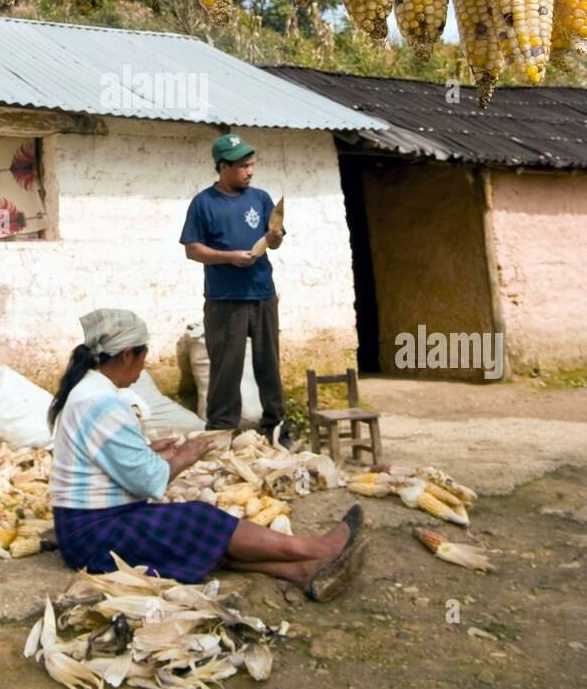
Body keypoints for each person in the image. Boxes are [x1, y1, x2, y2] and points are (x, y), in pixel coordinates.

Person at [48, 308, 367, 599]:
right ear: (128, 354)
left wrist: (147, 451)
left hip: (87, 528)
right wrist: (188, 453)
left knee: (197, 537)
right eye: (144, 356)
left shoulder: (88, 393)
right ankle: (312, 548)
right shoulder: (102, 403)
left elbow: (105, 461)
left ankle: (302, 570)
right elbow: (148, 482)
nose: (145, 366)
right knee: (199, 518)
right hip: (94, 534)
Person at [180, 134, 286, 439]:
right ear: (223, 167)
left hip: (263, 295)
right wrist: (228, 257)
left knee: (269, 365)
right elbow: (192, 249)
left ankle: (274, 427)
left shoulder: (261, 199)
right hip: (224, 300)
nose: (250, 171)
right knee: (226, 370)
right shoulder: (203, 203)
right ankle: (221, 433)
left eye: (252, 165)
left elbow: (274, 240)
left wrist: (275, 239)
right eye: (243, 166)